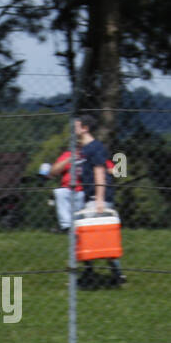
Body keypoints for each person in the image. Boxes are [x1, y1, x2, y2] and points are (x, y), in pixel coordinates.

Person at [55, 115, 123, 287]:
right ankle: (98, 273)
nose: (73, 130)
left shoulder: (95, 148)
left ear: (85, 128)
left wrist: (99, 199)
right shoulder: (84, 150)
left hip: (97, 198)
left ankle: (110, 274)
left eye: (76, 126)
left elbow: (100, 172)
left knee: (98, 235)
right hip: (89, 196)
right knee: (90, 235)